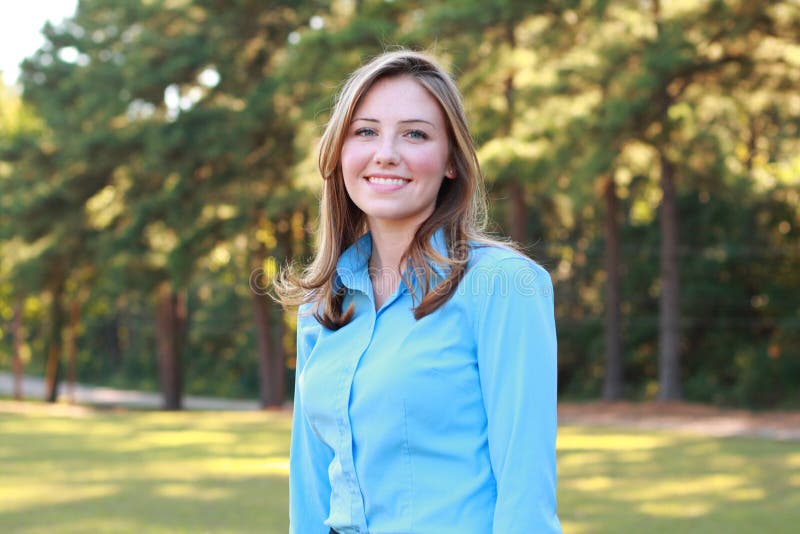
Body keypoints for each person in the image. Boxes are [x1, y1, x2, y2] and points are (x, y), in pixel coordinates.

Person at [275, 49, 561, 534]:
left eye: (415, 134)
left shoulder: (503, 286)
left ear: (451, 161)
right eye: (365, 131)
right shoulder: (322, 302)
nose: (386, 152)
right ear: (340, 152)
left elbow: (526, 496)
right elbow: (310, 488)